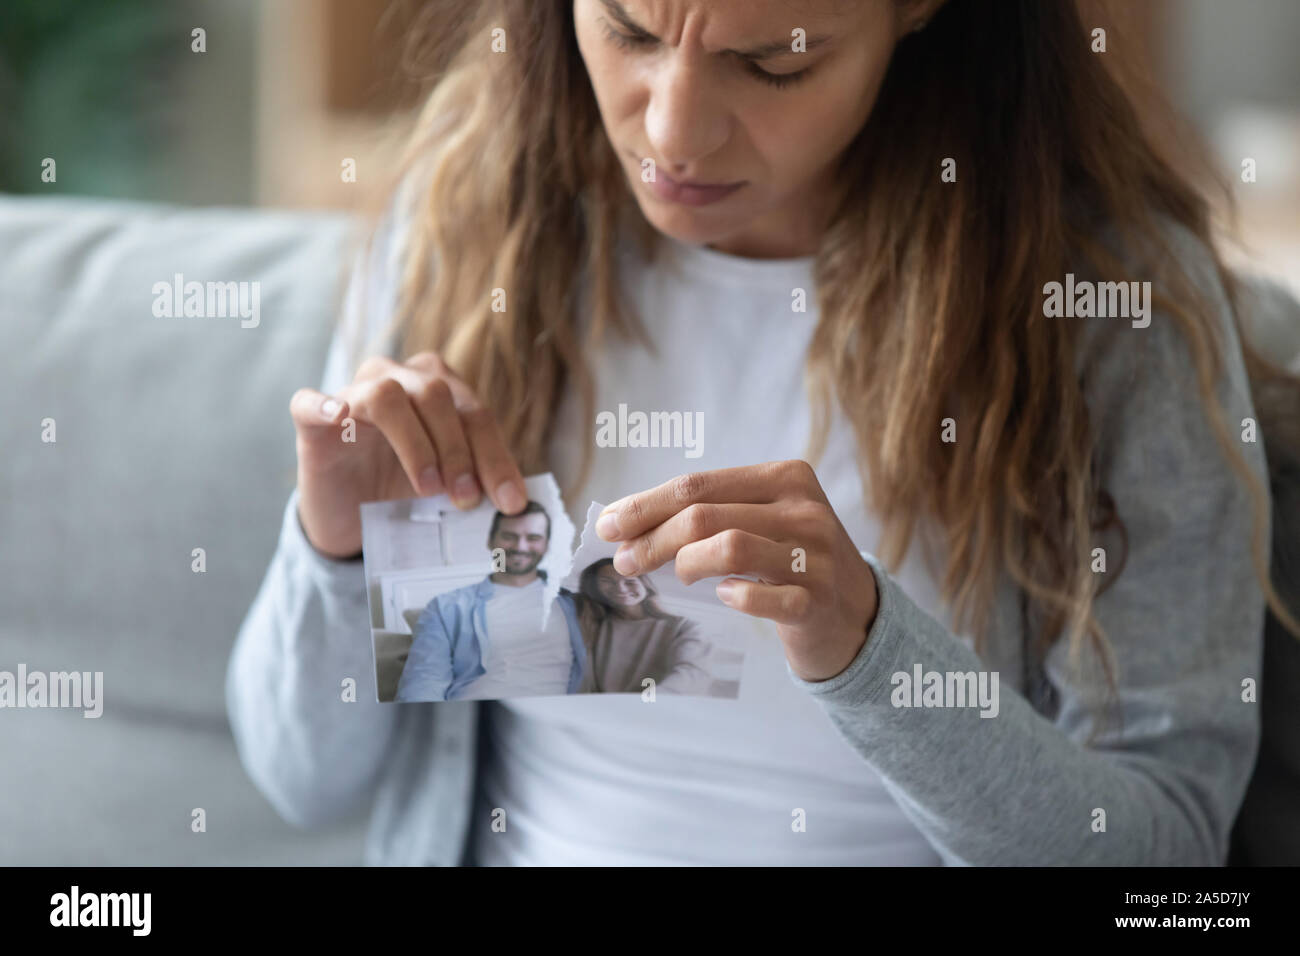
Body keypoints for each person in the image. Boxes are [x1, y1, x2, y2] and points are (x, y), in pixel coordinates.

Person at [226, 0, 1300, 865]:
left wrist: (870, 646)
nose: (673, 130)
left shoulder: (1111, 306)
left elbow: (1158, 844)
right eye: (630, 33)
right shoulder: (472, 223)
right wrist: (338, 551)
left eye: (775, 63)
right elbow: (300, 777)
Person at [394, 501, 587, 702]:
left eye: (533, 538)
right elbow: (424, 680)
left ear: (546, 545)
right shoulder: (445, 608)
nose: (520, 546)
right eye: (509, 536)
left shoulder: (575, 604)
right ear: (490, 541)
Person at [573, 558, 714, 695]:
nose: (621, 588)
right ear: (595, 589)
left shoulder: (684, 627)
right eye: (607, 582)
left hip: (655, 708)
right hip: (597, 710)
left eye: (629, 581)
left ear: (645, 584)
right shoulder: (592, 626)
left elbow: (691, 674)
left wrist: (644, 704)